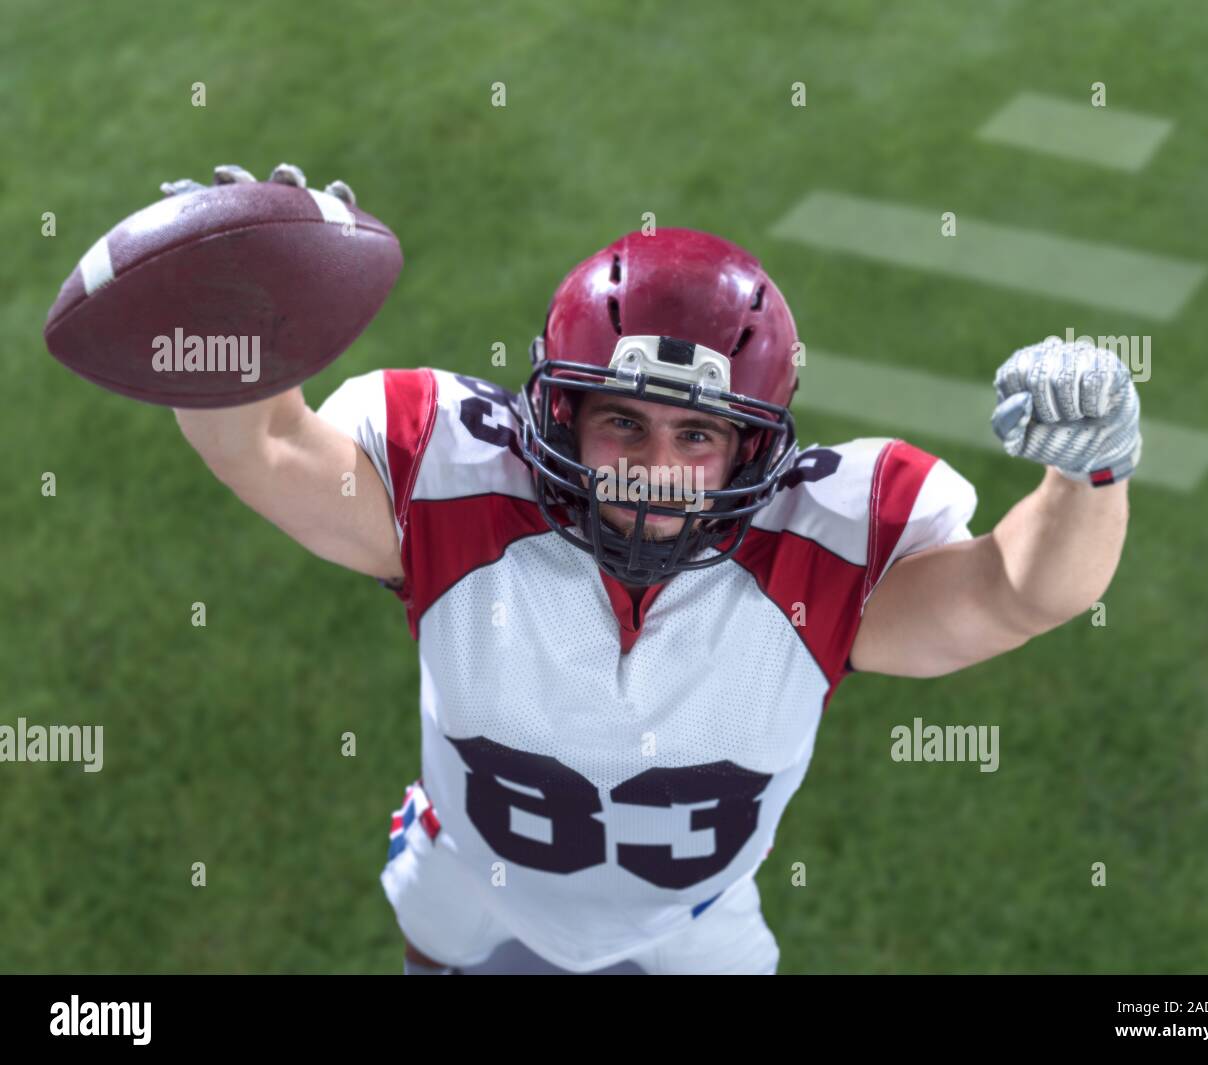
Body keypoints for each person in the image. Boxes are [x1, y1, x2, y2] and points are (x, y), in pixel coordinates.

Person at [176, 175, 1137, 975]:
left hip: (694, 920)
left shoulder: (819, 549)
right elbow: (260, 446)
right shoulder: (457, 487)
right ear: (560, 418)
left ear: (750, 449)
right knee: (434, 947)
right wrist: (239, 300)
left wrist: (1088, 470)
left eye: (698, 434)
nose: (650, 465)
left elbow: (1021, 589)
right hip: (469, 867)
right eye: (623, 422)